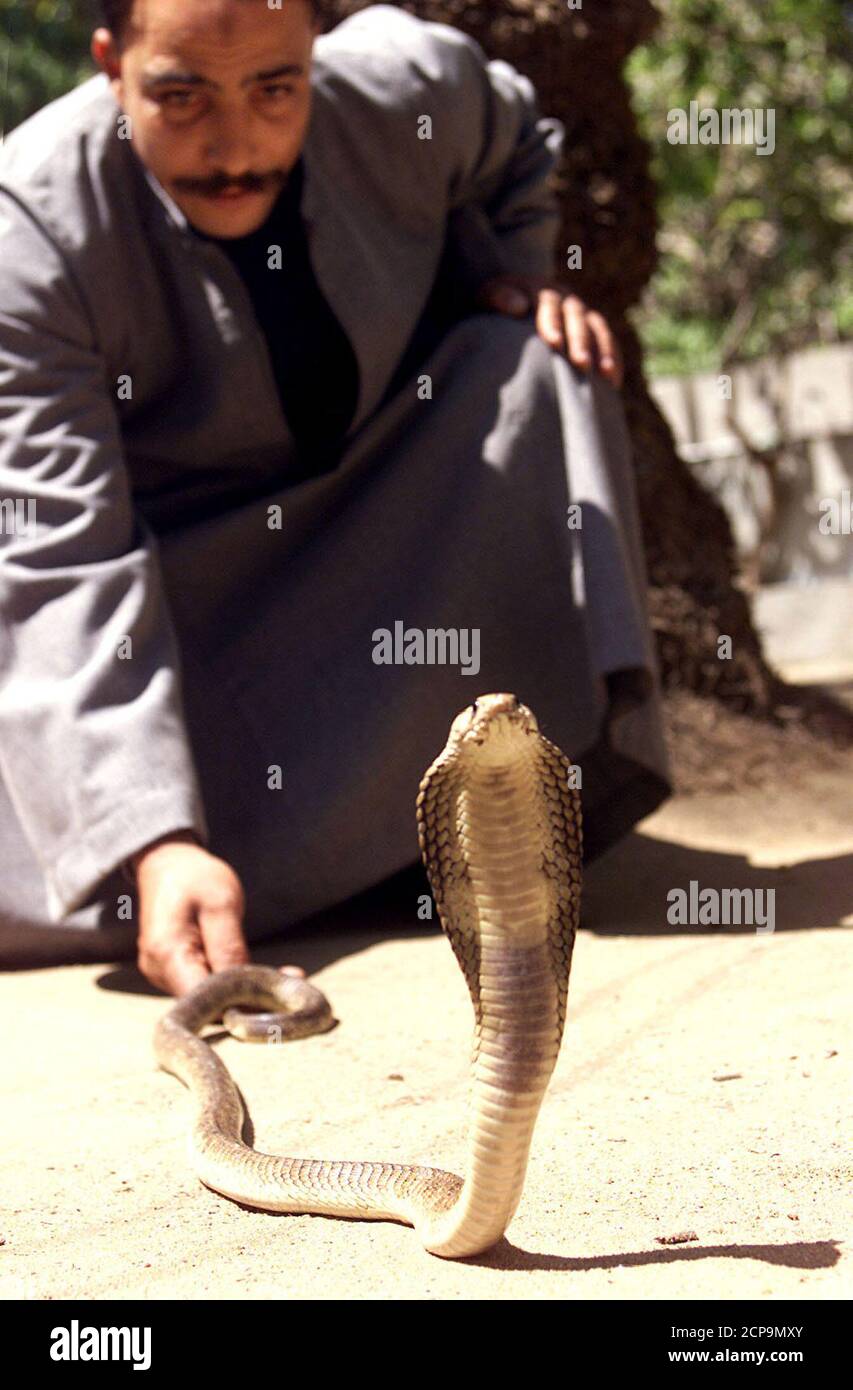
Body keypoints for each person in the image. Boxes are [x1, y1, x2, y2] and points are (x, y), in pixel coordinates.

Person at [0, 0, 670, 996]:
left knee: (536, 365)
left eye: (275, 89)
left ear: (316, 46)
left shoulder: (413, 90)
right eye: (179, 96)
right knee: (87, 862)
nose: (234, 146)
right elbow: (63, 556)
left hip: (372, 523)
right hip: (172, 612)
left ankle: (498, 814)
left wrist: (517, 272)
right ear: (111, 62)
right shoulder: (30, 228)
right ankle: (202, 861)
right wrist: (154, 839)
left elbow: (519, 136)